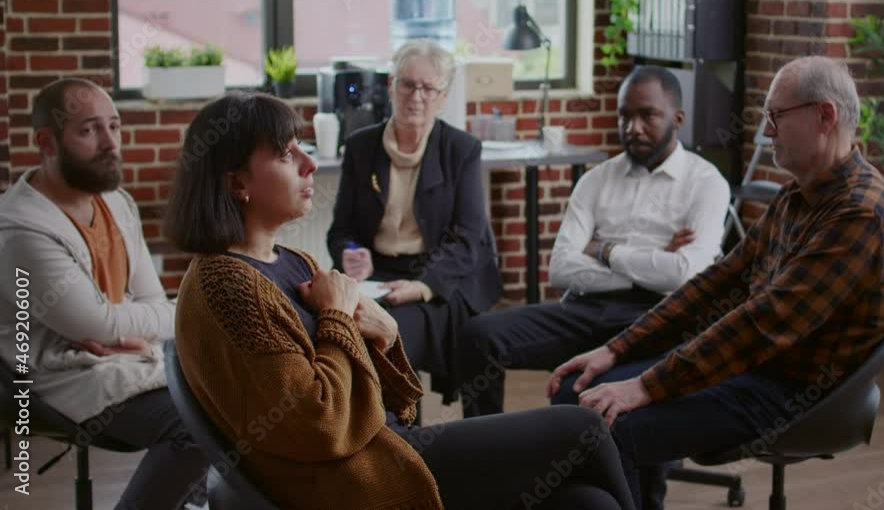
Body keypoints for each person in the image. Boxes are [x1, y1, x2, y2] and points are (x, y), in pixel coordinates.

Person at [164, 91, 637, 510]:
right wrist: (336, 316)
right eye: (287, 155)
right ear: (237, 183)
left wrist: (387, 334)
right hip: (353, 481)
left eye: (302, 148)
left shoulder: (294, 262)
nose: (309, 164)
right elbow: (320, 425)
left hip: (383, 445)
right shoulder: (228, 285)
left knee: (587, 502)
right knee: (584, 428)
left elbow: (396, 403)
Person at [548, 56, 884, 510]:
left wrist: (643, 386)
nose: (766, 131)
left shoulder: (859, 214)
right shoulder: (798, 195)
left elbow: (761, 325)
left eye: (776, 116)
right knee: (575, 393)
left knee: (601, 427)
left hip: (793, 391)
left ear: (825, 116)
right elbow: (719, 283)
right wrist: (617, 350)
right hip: (758, 366)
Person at [460, 66, 731, 417]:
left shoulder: (706, 183)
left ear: (677, 119)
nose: (632, 128)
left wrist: (604, 250)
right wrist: (653, 260)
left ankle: (604, 451)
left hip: (658, 316)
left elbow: (684, 274)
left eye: (647, 115)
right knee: (479, 335)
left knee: (575, 392)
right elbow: (561, 268)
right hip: (584, 309)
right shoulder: (596, 180)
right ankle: (483, 445)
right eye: (624, 116)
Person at [0, 78, 208, 510]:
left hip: (125, 356)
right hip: (57, 376)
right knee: (194, 424)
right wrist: (148, 322)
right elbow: (99, 324)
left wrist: (134, 329)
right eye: (89, 130)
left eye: (114, 126)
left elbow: (151, 303)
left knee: (230, 393)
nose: (110, 143)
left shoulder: (117, 203)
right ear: (47, 142)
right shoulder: (21, 226)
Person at [326, 39, 502, 405]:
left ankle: (409, 433)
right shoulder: (360, 147)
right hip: (379, 274)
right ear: (392, 86)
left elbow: (468, 238)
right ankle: (394, 433)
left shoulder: (461, 149)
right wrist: (351, 252)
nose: (416, 97)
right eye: (407, 84)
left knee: (391, 337)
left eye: (428, 88)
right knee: (349, 333)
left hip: (441, 276)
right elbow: (342, 231)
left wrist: (422, 286)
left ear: (443, 96)